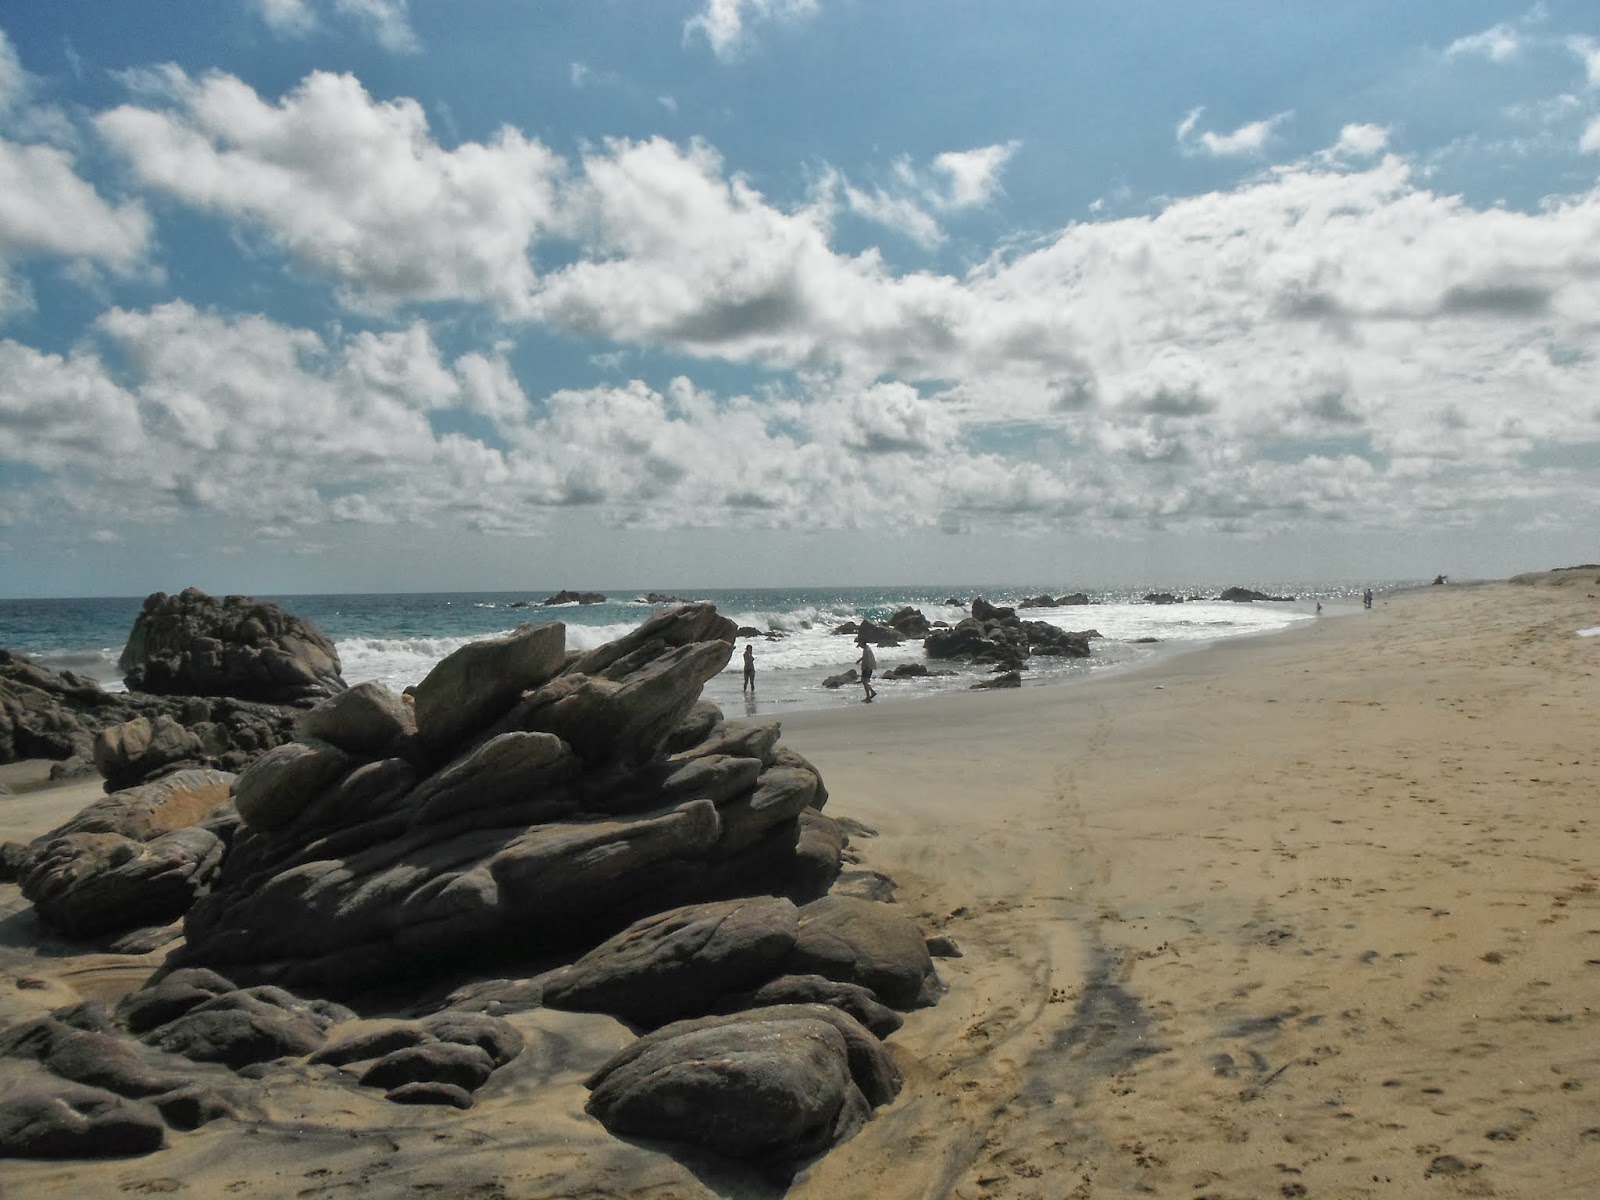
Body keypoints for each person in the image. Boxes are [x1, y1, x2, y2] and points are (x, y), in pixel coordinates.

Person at [856, 638, 877, 703]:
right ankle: (872, 692)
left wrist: (866, 668)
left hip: (867, 668)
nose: (859, 646)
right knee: (864, 681)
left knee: (864, 682)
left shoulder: (867, 650)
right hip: (867, 667)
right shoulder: (866, 649)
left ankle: (868, 697)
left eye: (859, 644)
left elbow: (869, 660)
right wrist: (859, 660)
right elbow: (865, 657)